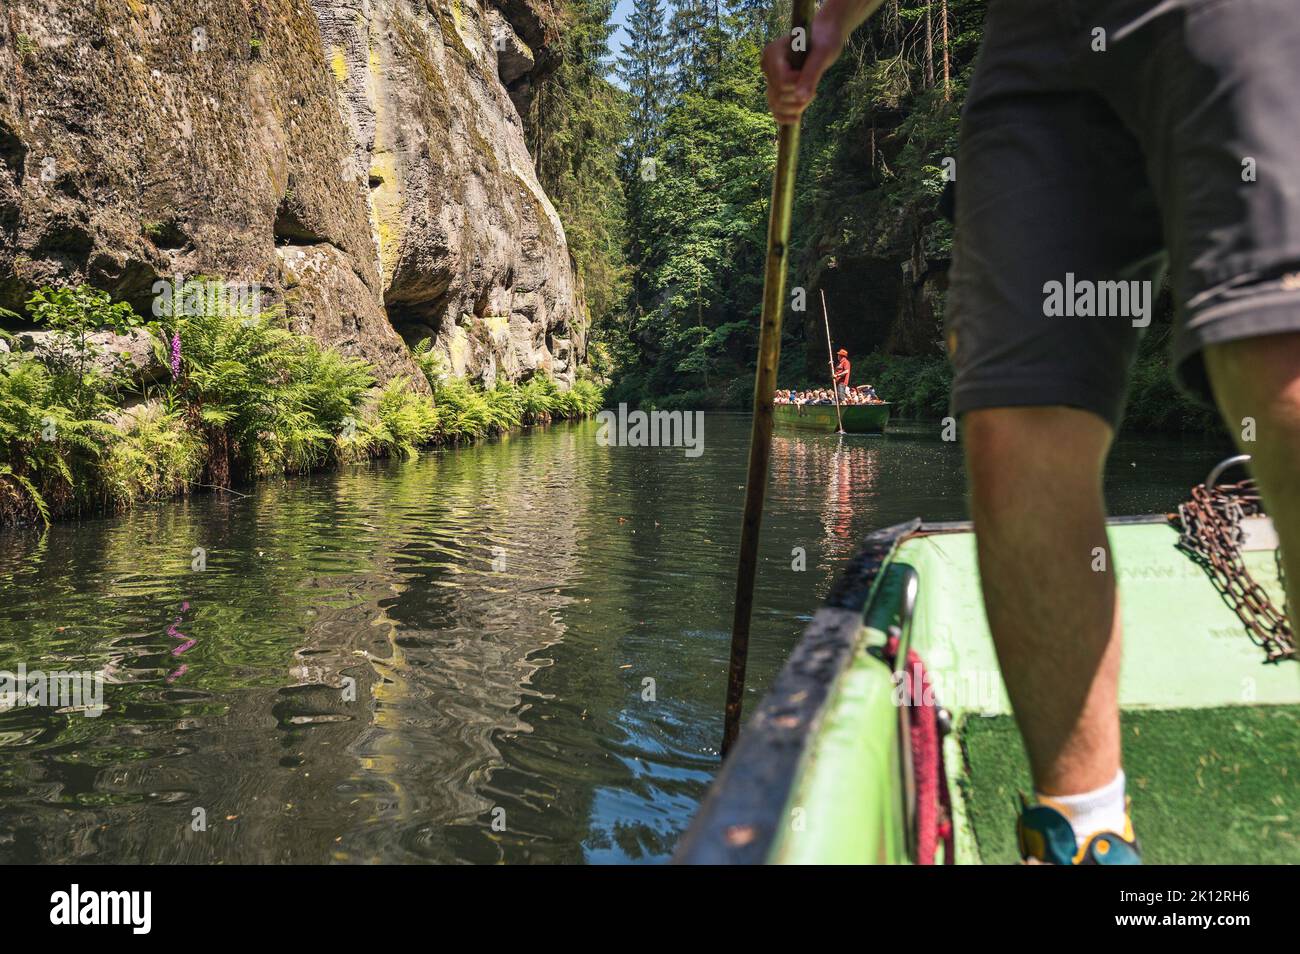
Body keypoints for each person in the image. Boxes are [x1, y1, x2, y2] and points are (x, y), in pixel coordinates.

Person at [764, 0, 1300, 865]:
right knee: (1014, 420)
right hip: (1035, 43)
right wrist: (830, 21)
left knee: (1276, 349)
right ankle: (1083, 834)